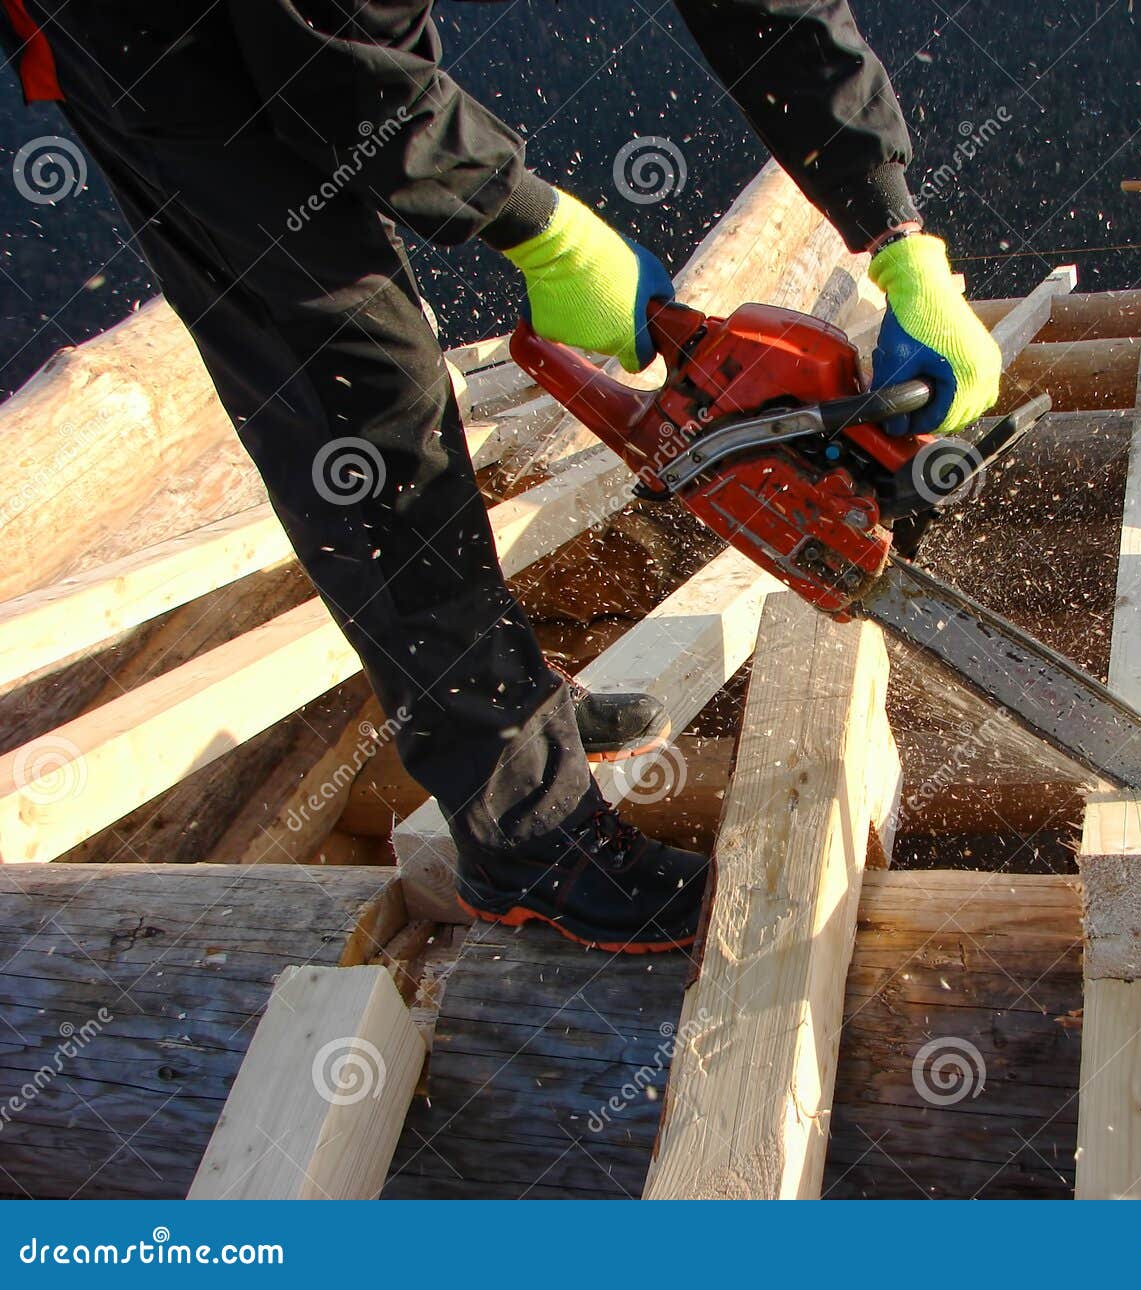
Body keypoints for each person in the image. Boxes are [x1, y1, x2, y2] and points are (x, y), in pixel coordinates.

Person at [2, 1, 1001, 951]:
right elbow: (324, 62)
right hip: (161, 38)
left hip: (307, 28)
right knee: (360, 380)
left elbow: (773, 14)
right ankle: (524, 828)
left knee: (380, 360)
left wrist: (897, 234)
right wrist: (528, 219)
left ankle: (513, 701)